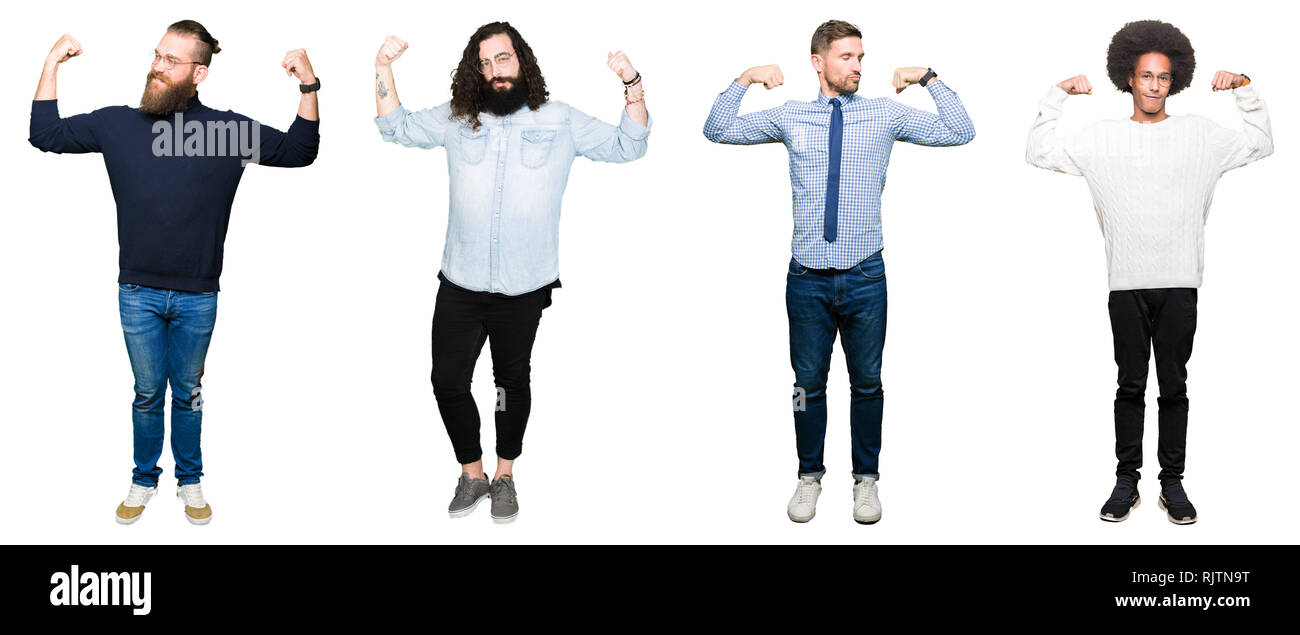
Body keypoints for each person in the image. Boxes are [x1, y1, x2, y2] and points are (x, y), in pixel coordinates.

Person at [28, 20, 321, 525]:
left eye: (171, 60)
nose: (157, 67)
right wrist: (51, 63)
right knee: (146, 392)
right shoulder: (118, 124)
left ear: (199, 73)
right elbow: (45, 133)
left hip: (198, 295)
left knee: (187, 394)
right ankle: (144, 481)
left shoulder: (227, 132)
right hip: (136, 292)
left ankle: (190, 480)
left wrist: (309, 85)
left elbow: (301, 151)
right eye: (157, 56)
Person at [373, 22, 650, 524]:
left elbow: (630, 144)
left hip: (524, 285)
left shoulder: (559, 118)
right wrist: (383, 68)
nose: (494, 71)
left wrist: (631, 83)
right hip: (460, 280)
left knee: (509, 382)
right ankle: (472, 474)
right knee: (447, 381)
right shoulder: (459, 118)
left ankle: (505, 477)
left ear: (520, 60)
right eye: (484, 63)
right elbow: (396, 127)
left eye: (502, 59)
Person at [703, 19, 974, 524]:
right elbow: (718, 128)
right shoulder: (791, 116)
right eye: (847, 57)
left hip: (865, 276)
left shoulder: (884, 113)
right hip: (806, 278)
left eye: (861, 58)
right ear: (818, 61)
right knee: (807, 382)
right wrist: (745, 77)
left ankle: (866, 482)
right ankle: (809, 478)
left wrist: (929, 77)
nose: (858, 67)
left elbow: (960, 131)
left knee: (867, 383)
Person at [1025, 19, 1272, 525]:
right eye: (1145, 76)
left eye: (1163, 77)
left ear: (1174, 80)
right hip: (1126, 285)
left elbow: (1260, 143)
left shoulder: (1201, 134)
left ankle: (1173, 484)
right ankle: (1126, 480)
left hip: (1181, 282)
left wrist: (1245, 89)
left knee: (1174, 387)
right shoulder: (1101, 138)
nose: (1154, 85)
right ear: (1129, 79)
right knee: (1130, 386)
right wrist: (1057, 95)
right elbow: (1038, 152)